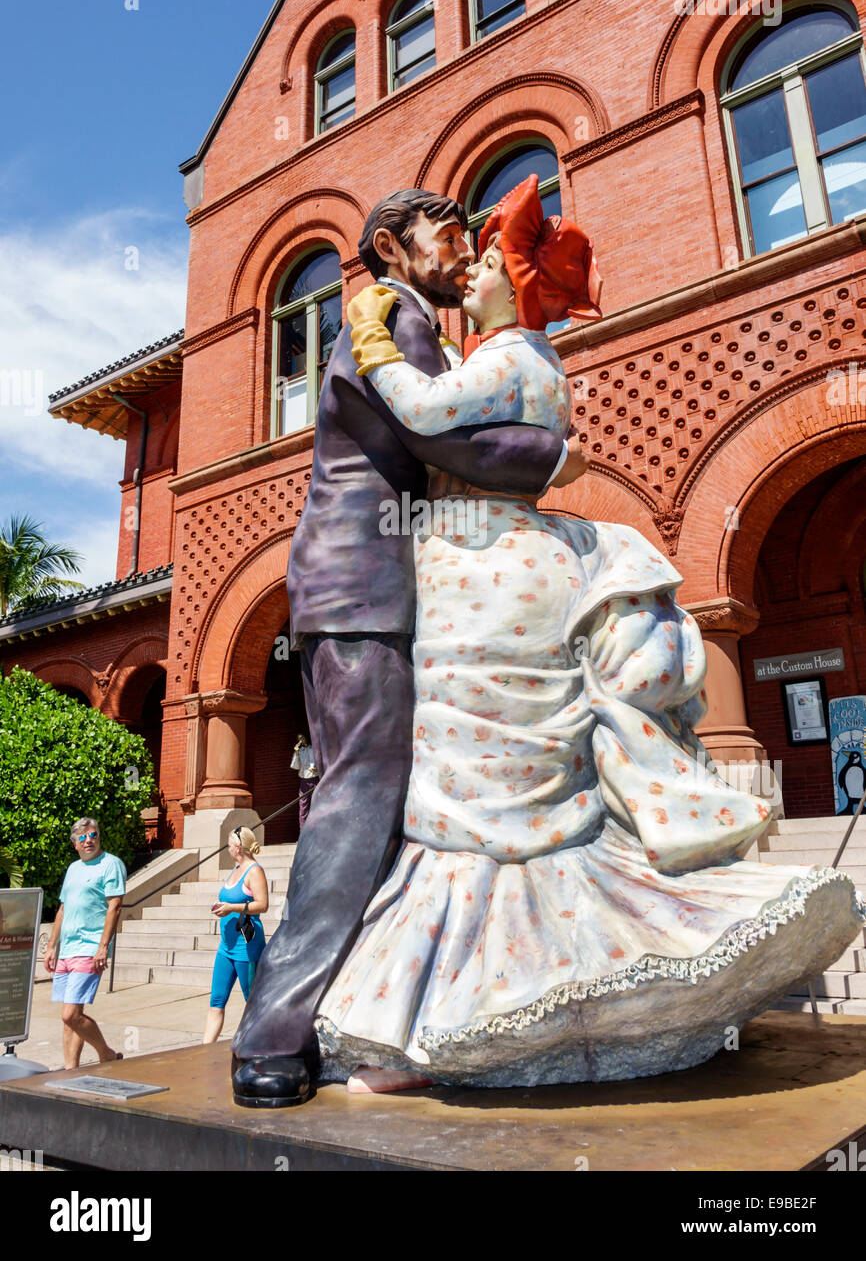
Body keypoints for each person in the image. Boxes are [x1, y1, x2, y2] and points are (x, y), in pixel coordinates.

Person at [312, 175, 866, 1088]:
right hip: (482, 563)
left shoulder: (503, 357)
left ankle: (458, 1017)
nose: (473, 266)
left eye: (487, 258)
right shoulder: (511, 357)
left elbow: (419, 416)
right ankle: (500, 1011)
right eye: (463, 246)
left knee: (474, 794)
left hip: (485, 574)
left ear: (514, 287)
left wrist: (369, 336)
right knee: (497, 790)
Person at [231, 187, 589, 1108]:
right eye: (445, 231)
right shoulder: (392, 316)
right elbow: (445, 437)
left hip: (379, 588)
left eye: (471, 232)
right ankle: (271, 1039)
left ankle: (359, 1016)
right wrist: (553, 454)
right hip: (363, 588)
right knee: (357, 798)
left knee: (391, 805)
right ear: (391, 245)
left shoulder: (406, 320)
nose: (463, 246)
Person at [44, 818, 125, 1070]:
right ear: (75, 844)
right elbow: (63, 908)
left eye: (93, 835)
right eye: (82, 837)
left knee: (70, 1014)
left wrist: (103, 946)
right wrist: (51, 946)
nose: (88, 840)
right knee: (70, 1017)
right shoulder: (73, 869)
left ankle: (106, 1052)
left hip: (89, 947)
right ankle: (71, 1070)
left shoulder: (111, 865)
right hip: (67, 949)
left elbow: (115, 905)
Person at [203, 827, 268, 1044]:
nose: (228, 848)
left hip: (246, 948)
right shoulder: (236, 868)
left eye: (229, 845)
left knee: (253, 1001)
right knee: (216, 1000)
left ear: (238, 847)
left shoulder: (254, 871)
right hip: (226, 947)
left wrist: (232, 908)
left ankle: (263, 1046)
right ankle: (204, 1049)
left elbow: (262, 904)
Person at [290, 733, 319, 829]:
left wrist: (317, 769)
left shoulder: (314, 749)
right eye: (299, 739)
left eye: (302, 737)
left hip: (315, 780)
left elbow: (321, 761)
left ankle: (316, 831)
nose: (301, 740)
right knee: (303, 808)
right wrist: (296, 753)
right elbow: (295, 766)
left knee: (317, 806)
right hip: (304, 781)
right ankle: (303, 832)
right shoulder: (300, 752)